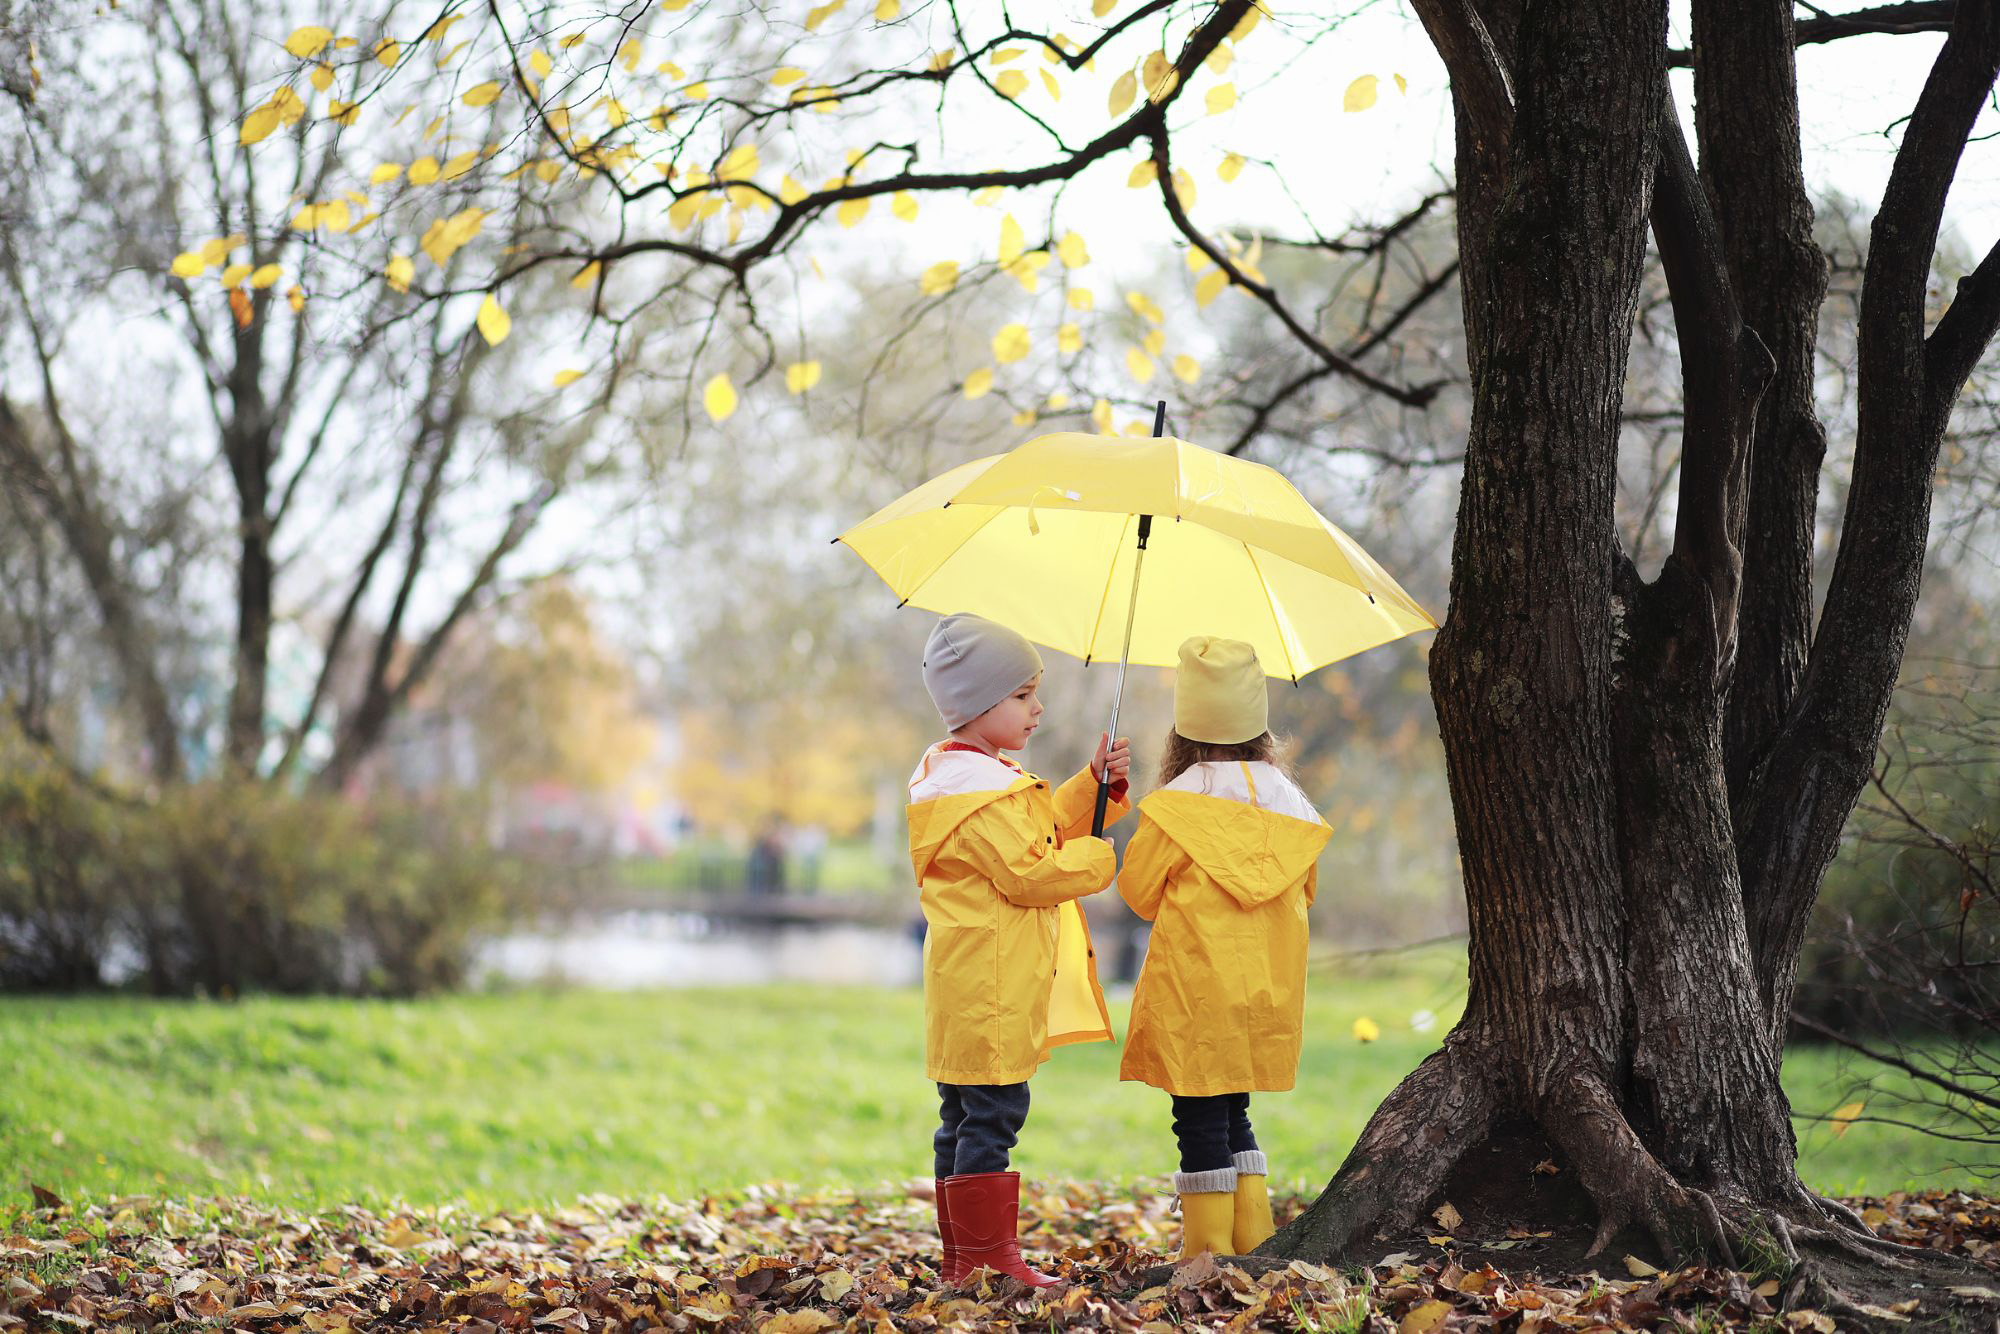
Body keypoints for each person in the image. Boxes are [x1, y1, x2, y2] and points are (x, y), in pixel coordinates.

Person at [907, 612, 1131, 1287]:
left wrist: (1092, 783)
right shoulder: (978, 797)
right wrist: (1097, 861)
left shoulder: (968, 784)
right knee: (992, 1120)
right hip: (992, 990)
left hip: (970, 988)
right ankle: (986, 1262)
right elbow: (1032, 871)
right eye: (1023, 695)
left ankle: (963, 1259)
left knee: (965, 1118)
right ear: (977, 704)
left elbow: (1035, 831)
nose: (1039, 708)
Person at [1116, 636, 1331, 1261]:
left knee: (1199, 1119)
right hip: (1264, 991)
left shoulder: (1180, 803)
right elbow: (1306, 891)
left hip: (1197, 990)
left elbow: (1138, 890)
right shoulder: (1293, 807)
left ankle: (1206, 1258)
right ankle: (1253, 1245)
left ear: (1185, 729)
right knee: (1234, 1110)